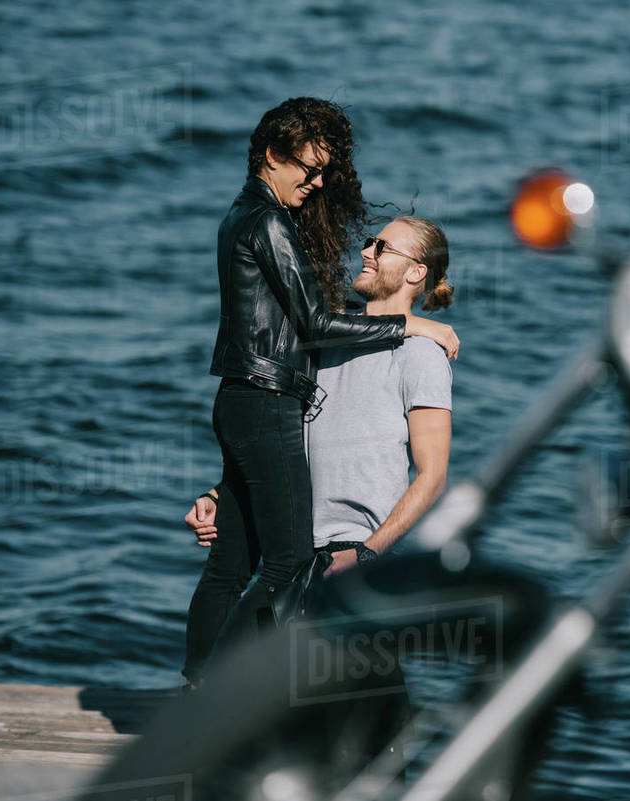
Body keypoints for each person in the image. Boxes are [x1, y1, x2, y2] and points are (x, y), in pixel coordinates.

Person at [181, 98, 458, 689]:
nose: (367, 250)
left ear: (416, 273)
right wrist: (410, 324)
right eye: (310, 168)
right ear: (272, 155)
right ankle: (212, 695)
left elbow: (432, 474)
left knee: (235, 569)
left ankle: (201, 692)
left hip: (344, 544)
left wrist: (369, 552)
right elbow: (309, 331)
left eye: (383, 247)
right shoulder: (274, 234)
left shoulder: (419, 355)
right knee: (275, 568)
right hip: (269, 427)